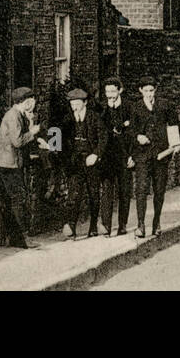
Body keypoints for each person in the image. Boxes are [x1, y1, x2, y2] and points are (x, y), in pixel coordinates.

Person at [128, 79, 180, 237]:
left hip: (161, 155)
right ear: (140, 90)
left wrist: (176, 143)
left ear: (155, 90)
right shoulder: (135, 107)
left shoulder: (164, 105)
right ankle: (140, 225)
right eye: (146, 90)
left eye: (151, 90)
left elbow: (174, 126)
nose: (149, 94)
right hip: (142, 155)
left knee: (159, 190)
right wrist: (138, 136)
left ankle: (156, 222)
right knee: (141, 190)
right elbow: (131, 130)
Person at [0, 86, 44, 247]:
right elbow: (17, 141)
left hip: (11, 163)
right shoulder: (13, 116)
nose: (35, 104)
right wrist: (34, 132)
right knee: (18, 200)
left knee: (14, 200)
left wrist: (30, 124)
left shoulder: (17, 114)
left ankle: (15, 238)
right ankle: (21, 240)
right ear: (27, 102)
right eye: (32, 100)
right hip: (9, 164)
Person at [61, 88, 106, 239]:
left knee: (94, 194)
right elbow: (60, 140)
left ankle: (93, 226)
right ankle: (71, 226)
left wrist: (96, 155)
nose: (74, 106)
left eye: (77, 103)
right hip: (75, 163)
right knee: (73, 195)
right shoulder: (67, 120)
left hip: (91, 162)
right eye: (72, 103)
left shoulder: (95, 117)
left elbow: (103, 139)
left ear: (85, 102)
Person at [98, 78, 134, 236]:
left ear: (120, 90)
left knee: (124, 191)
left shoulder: (129, 107)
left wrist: (132, 155)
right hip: (108, 157)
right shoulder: (102, 108)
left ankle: (122, 225)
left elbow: (134, 134)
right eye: (107, 92)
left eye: (113, 91)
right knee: (106, 191)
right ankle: (106, 225)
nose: (110, 95)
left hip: (124, 155)